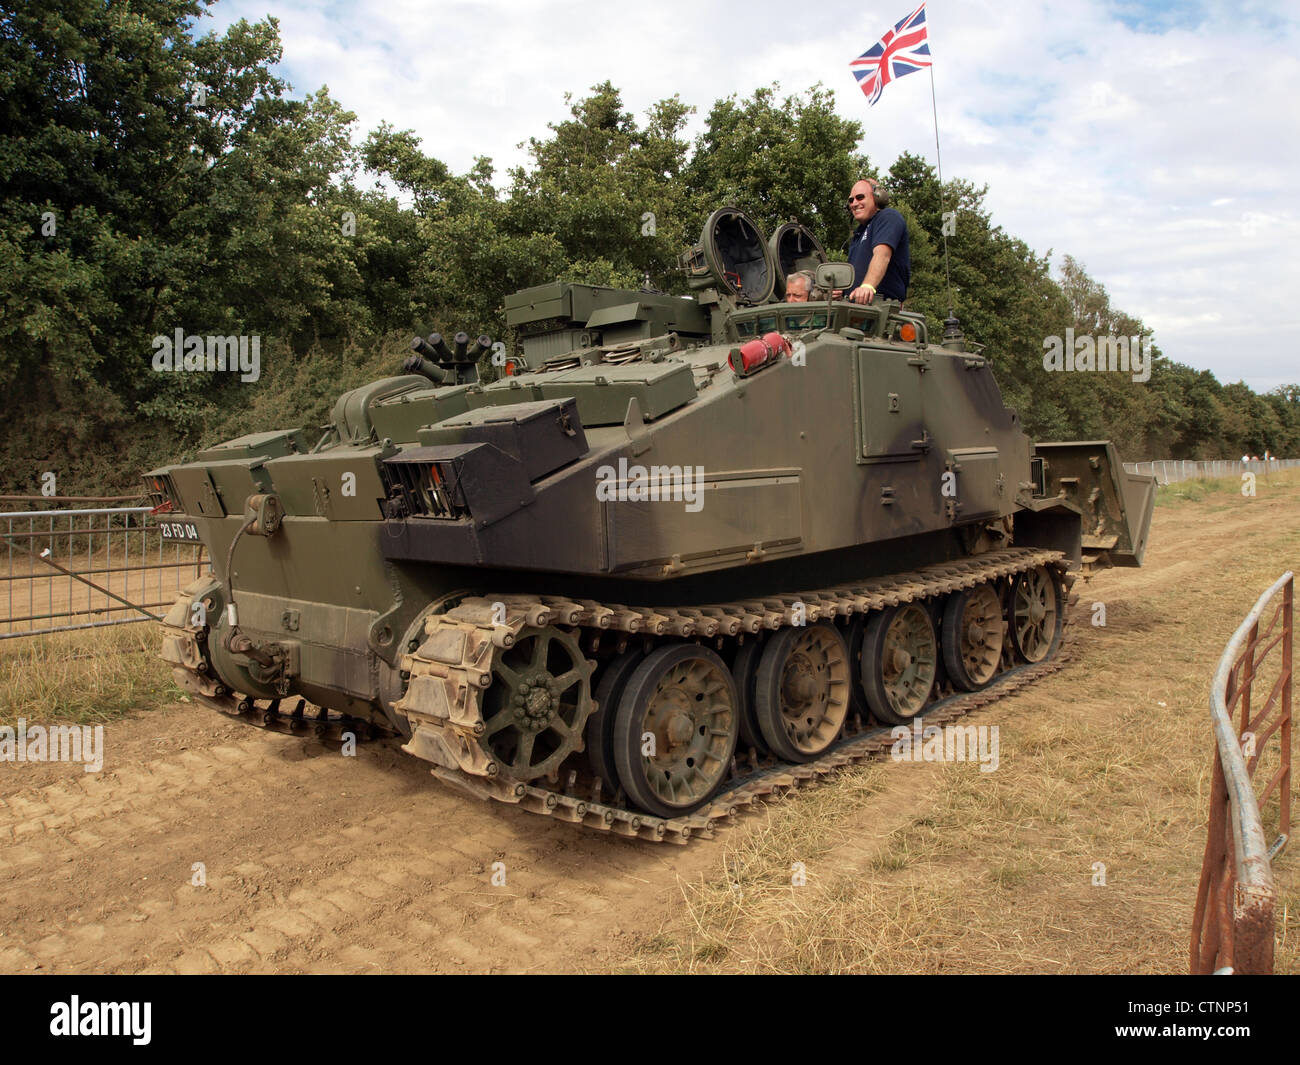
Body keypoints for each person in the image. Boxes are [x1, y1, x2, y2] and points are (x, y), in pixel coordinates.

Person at [845, 178, 910, 304]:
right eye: (851, 200)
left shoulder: (888, 217)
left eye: (860, 197)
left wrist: (868, 286)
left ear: (878, 197)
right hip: (855, 309)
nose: (854, 203)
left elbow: (882, 254)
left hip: (882, 308)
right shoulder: (858, 234)